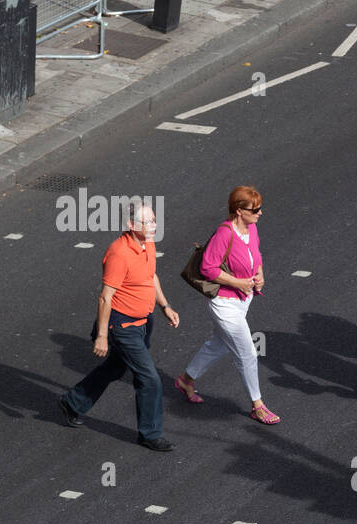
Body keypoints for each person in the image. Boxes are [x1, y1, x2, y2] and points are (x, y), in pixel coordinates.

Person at [58, 202, 181, 452]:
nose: (154, 226)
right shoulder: (119, 253)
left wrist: (165, 306)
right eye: (148, 222)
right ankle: (150, 434)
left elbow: (150, 276)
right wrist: (102, 336)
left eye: (155, 220)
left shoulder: (147, 242)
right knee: (149, 378)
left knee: (115, 368)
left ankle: (73, 402)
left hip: (144, 322)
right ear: (131, 225)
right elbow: (105, 297)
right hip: (122, 326)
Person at [174, 186, 278, 424]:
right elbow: (207, 269)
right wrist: (238, 282)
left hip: (244, 298)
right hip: (224, 303)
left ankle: (186, 380)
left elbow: (256, 255)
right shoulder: (225, 233)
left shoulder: (251, 228)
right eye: (255, 209)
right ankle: (258, 405)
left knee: (219, 344)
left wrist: (260, 275)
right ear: (239, 211)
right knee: (248, 353)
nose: (260, 213)